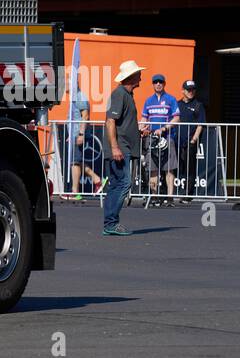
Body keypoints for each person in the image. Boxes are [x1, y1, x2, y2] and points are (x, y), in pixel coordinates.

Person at [103, 59, 146, 236]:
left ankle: (110, 223)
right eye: (138, 74)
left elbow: (120, 123)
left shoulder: (126, 95)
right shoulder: (119, 94)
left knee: (116, 185)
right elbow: (110, 121)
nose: (141, 77)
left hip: (122, 146)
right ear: (132, 77)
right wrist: (115, 147)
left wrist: (138, 131)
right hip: (120, 148)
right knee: (123, 184)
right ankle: (111, 223)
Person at [141, 74, 179, 203]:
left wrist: (164, 128)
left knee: (169, 168)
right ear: (152, 84)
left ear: (164, 84)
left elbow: (177, 118)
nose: (158, 84)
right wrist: (142, 127)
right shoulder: (148, 101)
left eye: (160, 82)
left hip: (168, 137)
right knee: (152, 169)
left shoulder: (171, 99)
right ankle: (154, 196)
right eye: (155, 82)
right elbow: (144, 119)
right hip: (152, 138)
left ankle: (169, 197)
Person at [64, 89, 102, 200]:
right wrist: (70, 135)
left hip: (78, 135)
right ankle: (97, 180)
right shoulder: (75, 98)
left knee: (75, 162)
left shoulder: (80, 97)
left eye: (66, 83)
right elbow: (75, 118)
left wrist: (81, 134)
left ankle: (75, 192)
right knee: (77, 162)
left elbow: (85, 116)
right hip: (74, 135)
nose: (64, 86)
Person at [175, 79, 206, 200]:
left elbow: (201, 124)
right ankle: (169, 193)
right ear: (183, 91)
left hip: (190, 142)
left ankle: (188, 194)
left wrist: (194, 140)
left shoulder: (198, 105)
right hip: (177, 140)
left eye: (193, 90)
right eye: (188, 90)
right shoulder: (177, 104)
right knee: (173, 166)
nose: (191, 92)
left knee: (190, 168)